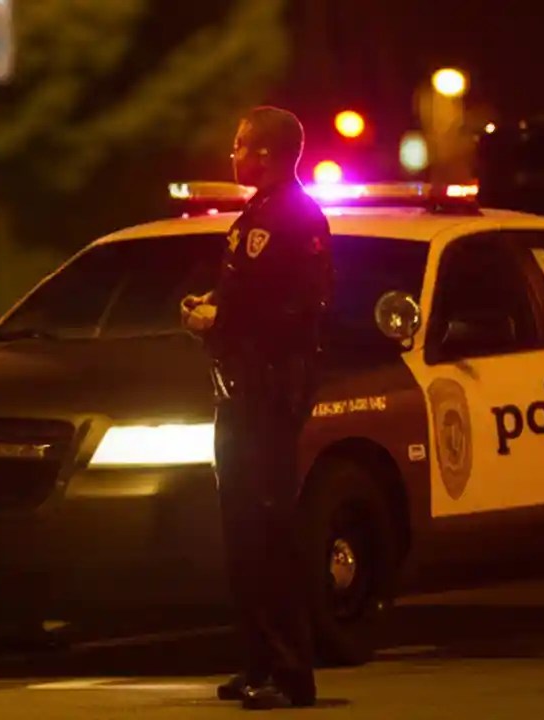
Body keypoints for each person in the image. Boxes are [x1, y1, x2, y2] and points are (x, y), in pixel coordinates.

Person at [180, 106, 333, 710]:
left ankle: (292, 673)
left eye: (240, 145)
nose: (233, 155)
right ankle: (258, 662)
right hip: (240, 385)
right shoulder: (259, 212)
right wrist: (215, 305)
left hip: (271, 387)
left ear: (266, 154)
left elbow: (305, 306)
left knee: (271, 528)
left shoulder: (296, 215)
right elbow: (248, 287)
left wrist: (226, 318)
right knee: (242, 530)